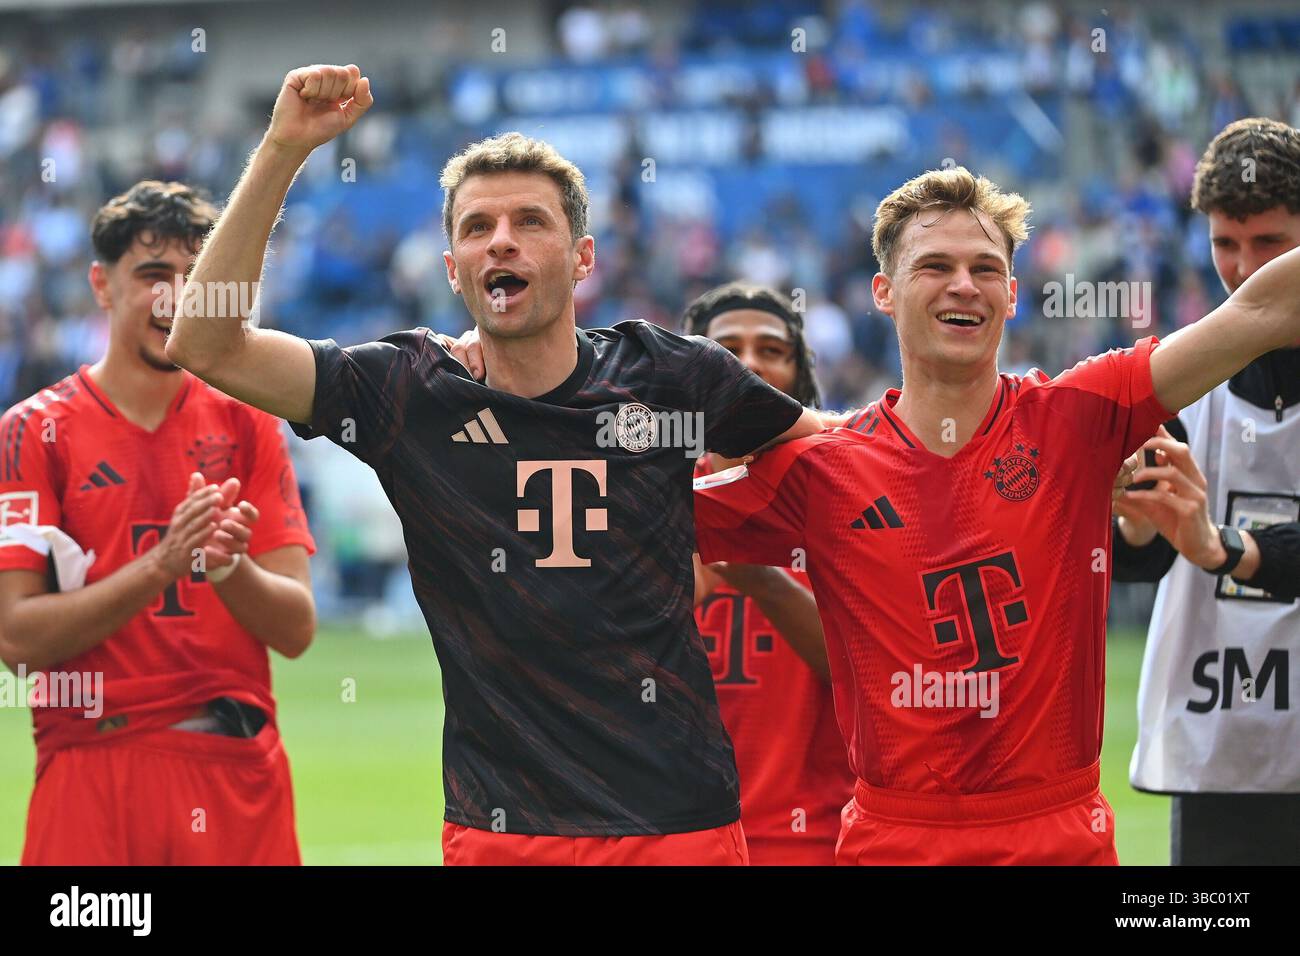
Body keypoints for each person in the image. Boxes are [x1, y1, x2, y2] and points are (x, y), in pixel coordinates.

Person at [165, 64, 824, 865]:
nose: (501, 239)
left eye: (528, 222)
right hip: (502, 830)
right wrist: (281, 150)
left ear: (582, 258)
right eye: (476, 228)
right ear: (453, 269)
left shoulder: (668, 376)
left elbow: (826, 449)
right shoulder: (406, 392)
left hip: (676, 823)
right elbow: (204, 343)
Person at [691, 165, 1300, 865]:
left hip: (1057, 837)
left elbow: (1261, 312)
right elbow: (634, 510)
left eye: (985, 268)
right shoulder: (821, 468)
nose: (963, 285)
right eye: (935, 266)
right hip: (894, 842)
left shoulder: (1080, 413)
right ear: (882, 293)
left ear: (1012, 295)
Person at [0, 181, 317, 865]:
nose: (175, 297)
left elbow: (296, 629)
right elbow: (15, 640)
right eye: (152, 275)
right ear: (101, 285)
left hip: (234, 766)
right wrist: (162, 566)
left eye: (194, 276)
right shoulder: (33, 432)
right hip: (93, 764)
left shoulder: (248, 418)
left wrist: (229, 568)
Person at [1113, 117, 1300, 865]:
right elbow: (1139, 563)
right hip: (1217, 746)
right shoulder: (1178, 381)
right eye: (1226, 243)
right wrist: (1133, 517)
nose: (1245, 269)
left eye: (1270, 244)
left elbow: (1213, 548)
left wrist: (1223, 546)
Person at [686, 282, 854, 865]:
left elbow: (868, 671)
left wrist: (755, 577)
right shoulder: (653, 507)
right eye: (725, 348)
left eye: (771, 349)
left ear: (799, 382)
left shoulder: (850, 503)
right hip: (681, 842)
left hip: (818, 842)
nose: (748, 363)